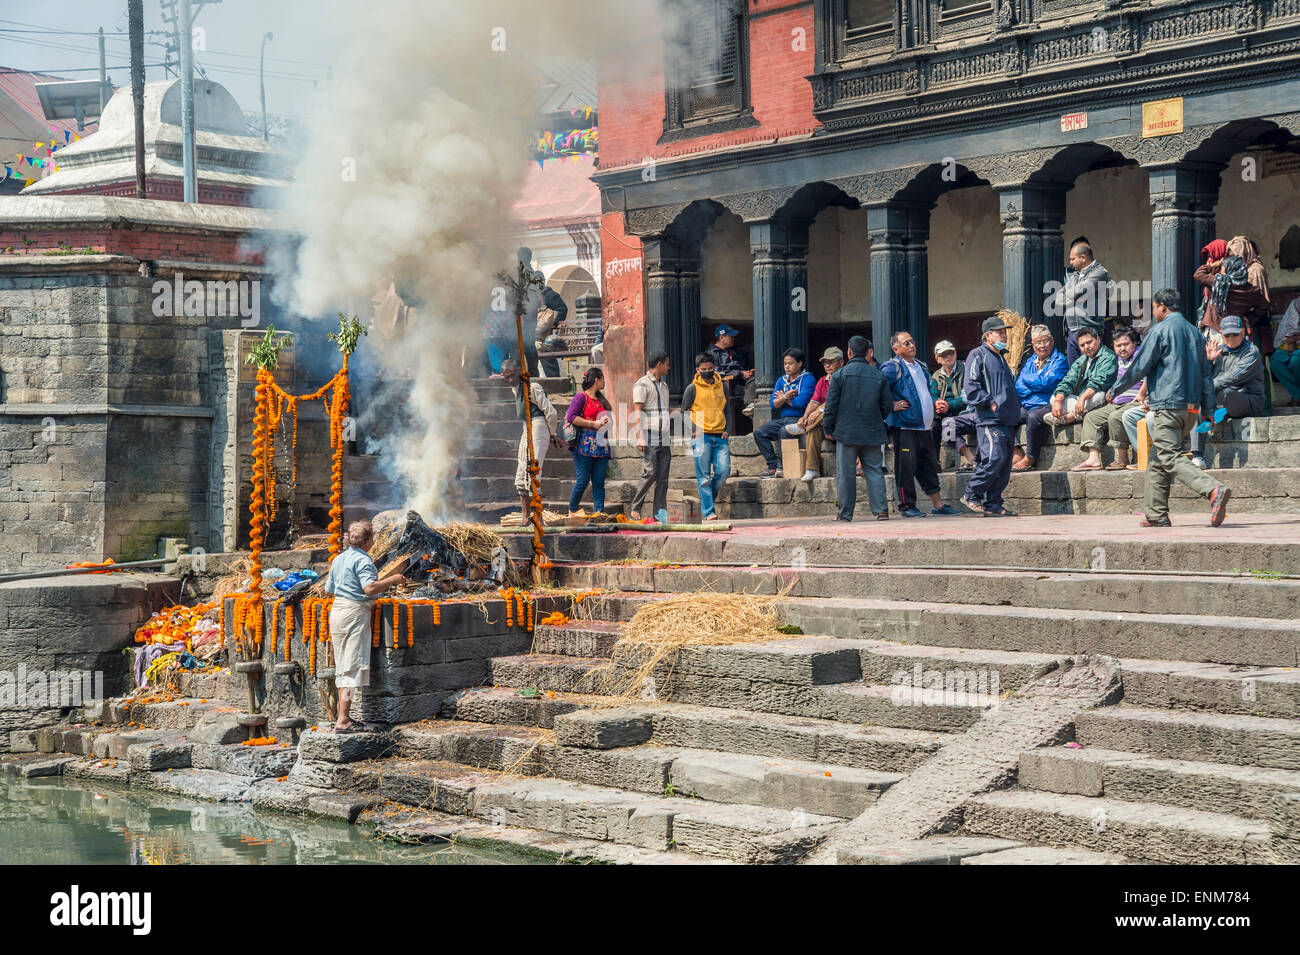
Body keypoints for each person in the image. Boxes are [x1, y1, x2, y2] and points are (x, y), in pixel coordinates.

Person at [1106, 288, 1230, 528]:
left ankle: (1212, 489)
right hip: (1191, 409)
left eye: (1154, 308)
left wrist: (1116, 389)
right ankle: (1156, 514)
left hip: (1168, 405)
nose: (1154, 312)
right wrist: (1208, 410)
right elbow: (1206, 375)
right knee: (1157, 458)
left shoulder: (1159, 331)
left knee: (1168, 455)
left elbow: (1140, 366)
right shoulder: (1196, 334)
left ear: (1162, 306)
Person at [324, 520, 408, 733]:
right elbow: (369, 588)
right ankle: (343, 720)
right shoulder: (363, 561)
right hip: (354, 613)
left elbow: (328, 589)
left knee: (344, 665)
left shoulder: (338, 559)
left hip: (338, 611)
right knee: (351, 667)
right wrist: (394, 579)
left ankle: (343, 717)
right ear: (369, 540)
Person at [880, 331, 959, 517]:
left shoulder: (922, 366)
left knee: (928, 466)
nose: (911, 345)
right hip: (905, 427)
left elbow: (926, 392)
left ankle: (938, 505)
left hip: (924, 427)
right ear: (896, 348)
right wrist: (891, 405)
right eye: (906, 343)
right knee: (905, 469)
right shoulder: (892, 367)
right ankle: (907, 507)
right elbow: (878, 388)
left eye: (912, 341)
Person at [823, 335, 893, 521]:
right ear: (868, 353)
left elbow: (831, 406)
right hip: (872, 430)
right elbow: (887, 406)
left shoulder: (839, 375)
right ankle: (881, 510)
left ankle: (845, 514)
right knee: (875, 470)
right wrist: (876, 418)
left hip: (846, 432)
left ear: (849, 352)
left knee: (846, 475)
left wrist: (828, 428)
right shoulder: (879, 376)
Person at [962, 315, 1022, 516]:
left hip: (1008, 419)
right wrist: (990, 401)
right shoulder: (977, 355)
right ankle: (971, 494)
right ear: (988, 335)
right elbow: (970, 387)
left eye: (1005, 332)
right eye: (1000, 332)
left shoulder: (1001, 358)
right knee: (993, 459)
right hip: (990, 420)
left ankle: (994, 503)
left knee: (1004, 465)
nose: (1004, 335)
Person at [1191, 314, 1266, 468]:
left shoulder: (1252, 352)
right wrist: (1209, 362)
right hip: (1220, 403)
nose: (1231, 338)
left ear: (1243, 333)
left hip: (1248, 401)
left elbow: (1233, 378)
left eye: (1235, 334)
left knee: (1224, 393)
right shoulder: (1217, 350)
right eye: (1227, 335)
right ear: (1221, 335)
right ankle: (1198, 456)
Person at [501, 358, 563, 523]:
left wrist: (553, 434)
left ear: (520, 371)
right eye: (506, 377)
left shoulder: (533, 387)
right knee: (521, 474)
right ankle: (525, 518)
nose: (510, 380)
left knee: (533, 471)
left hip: (538, 426)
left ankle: (538, 517)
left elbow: (551, 413)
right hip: (526, 427)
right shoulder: (516, 389)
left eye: (512, 375)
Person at [1074, 325, 1143, 471]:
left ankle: (1122, 458)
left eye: (1126, 344)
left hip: (1134, 402)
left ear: (1134, 343)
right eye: (1118, 345)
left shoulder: (1141, 356)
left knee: (1115, 417)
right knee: (1092, 417)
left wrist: (1142, 393)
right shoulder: (1118, 359)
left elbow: (1149, 376)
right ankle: (1093, 459)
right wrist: (1112, 390)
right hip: (1118, 401)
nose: (1122, 348)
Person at [681, 352, 733, 522]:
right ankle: (709, 511)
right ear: (698, 370)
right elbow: (684, 412)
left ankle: (707, 498)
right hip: (701, 436)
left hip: (720, 435)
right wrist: (694, 429)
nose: (708, 371)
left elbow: (728, 410)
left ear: (714, 367)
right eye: (704, 369)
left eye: (710, 368)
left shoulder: (722, 386)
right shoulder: (692, 388)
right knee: (703, 476)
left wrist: (728, 428)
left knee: (724, 471)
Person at [1011, 325, 1069, 471]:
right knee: (1006, 414)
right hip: (1030, 403)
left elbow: (1048, 383)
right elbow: (1019, 386)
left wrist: (1029, 381)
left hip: (1048, 403)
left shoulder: (1060, 360)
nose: (1042, 346)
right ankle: (1015, 450)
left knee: (1033, 417)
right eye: (1038, 342)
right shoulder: (1030, 361)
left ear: (1052, 341)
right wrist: (1038, 381)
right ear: (1033, 345)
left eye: (1045, 341)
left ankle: (1030, 457)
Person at [1195, 236, 1271, 343]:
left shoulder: (1220, 282)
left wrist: (1211, 266)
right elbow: (1264, 304)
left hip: (1220, 329)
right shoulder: (1251, 290)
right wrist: (1247, 318)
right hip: (1237, 328)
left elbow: (1198, 275)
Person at [753, 347, 815, 477]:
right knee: (759, 432)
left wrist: (782, 398)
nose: (787, 367)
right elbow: (773, 404)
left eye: (790, 363)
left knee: (784, 430)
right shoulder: (782, 380)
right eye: (785, 363)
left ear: (800, 363)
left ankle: (781, 467)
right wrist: (787, 396)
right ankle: (773, 465)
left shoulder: (808, 379)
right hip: (784, 418)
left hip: (800, 419)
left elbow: (801, 403)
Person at [786, 346, 844, 482]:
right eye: (825, 363)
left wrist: (821, 410)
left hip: (841, 422)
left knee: (827, 405)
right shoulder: (823, 380)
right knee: (813, 431)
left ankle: (803, 428)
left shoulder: (845, 378)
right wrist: (805, 416)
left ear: (841, 362)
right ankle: (812, 469)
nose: (827, 365)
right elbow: (813, 402)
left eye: (831, 362)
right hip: (824, 424)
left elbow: (838, 403)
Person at [1043, 327, 1117, 429]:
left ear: (1098, 339)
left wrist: (1082, 399)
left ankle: (1070, 417)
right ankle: (1080, 413)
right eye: (1082, 345)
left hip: (1099, 399)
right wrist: (1058, 402)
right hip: (1081, 401)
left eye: (1089, 342)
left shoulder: (1108, 357)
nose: (1086, 347)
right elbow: (1068, 380)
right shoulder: (1082, 360)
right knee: (1054, 398)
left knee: (1099, 396)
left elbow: (1098, 383)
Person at [630, 350, 672, 521]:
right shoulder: (641, 385)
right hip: (649, 433)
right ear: (660, 364)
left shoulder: (664, 386)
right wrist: (640, 436)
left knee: (663, 477)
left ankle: (659, 514)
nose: (669, 368)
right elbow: (637, 412)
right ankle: (635, 507)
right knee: (650, 471)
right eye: (667, 364)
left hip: (664, 435)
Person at [1054, 240, 1112, 364]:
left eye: (1072, 259)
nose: (1070, 262)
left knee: (1091, 369)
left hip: (1089, 330)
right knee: (1074, 371)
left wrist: (1070, 294)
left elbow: (1078, 292)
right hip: (1071, 331)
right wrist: (1073, 296)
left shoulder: (1099, 273)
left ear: (1083, 258)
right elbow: (1058, 299)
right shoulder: (1075, 275)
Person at [565, 367, 612, 516]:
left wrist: (605, 421)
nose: (604, 382)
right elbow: (571, 417)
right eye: (603, 379)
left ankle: (599, 513)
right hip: (584, 446)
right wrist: (593, 424)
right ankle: (572, 510)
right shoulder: (580, 398)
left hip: (601, 446)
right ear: (596, 380)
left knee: (599, 482)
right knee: (583, 480)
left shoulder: (601, 400)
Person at [929, 340, 968, 471]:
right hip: (943, 413)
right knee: (933, 425)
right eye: (944, 355)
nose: (948, 356)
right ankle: (935, 462)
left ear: (956, 353)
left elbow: (967, 396)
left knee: (948, 424)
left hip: (963, 411)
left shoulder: (966, 369)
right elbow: (933, 395)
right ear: (937, 358)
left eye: (951, 353)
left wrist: (949, 405)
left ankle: (963, 459)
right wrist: (937, 403)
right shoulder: (935, 376)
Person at [707, 323, 757, 415]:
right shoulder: (711, 354)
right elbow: (717, 372)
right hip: (728, 386)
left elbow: (741, 367)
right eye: (731, 336)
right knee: (755, 395)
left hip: (743, 383)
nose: (733, 339)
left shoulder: (734, 351)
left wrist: (749, 372)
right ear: (722, 337)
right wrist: (740, 374)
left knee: (758, 387)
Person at [1272, 297, 1300, 404]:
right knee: (1276, 361)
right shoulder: (1296, 303)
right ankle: (1297, 394)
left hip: (1295, 345)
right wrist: (1291, 341)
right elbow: (1289, 327)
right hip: (1290, 343)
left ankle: (1297, 395)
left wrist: (1294, 339)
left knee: (1295, 361)